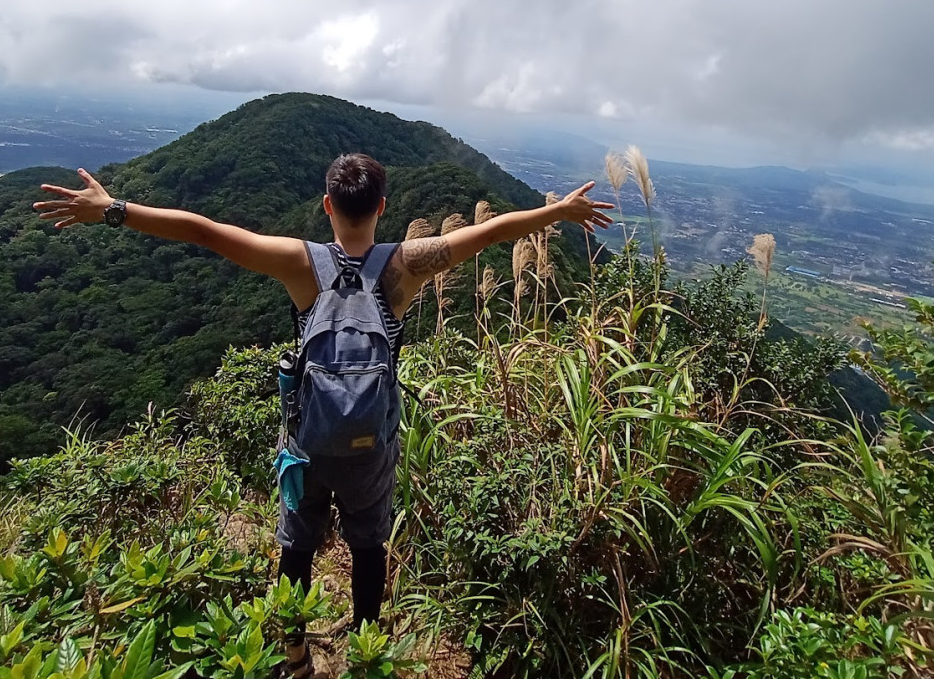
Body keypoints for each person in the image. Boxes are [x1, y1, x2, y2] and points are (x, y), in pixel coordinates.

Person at [33, 153, 613, 677]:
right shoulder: (404, 267)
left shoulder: (300, 264)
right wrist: (557, 212)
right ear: (382, 208)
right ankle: (366, 655)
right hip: (371, 447)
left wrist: (112, 209)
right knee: (367, 547)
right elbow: (490, 233)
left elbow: (202, 231)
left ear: (327, 205)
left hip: (306, 443)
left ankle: (295, 657)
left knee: (297, 547)